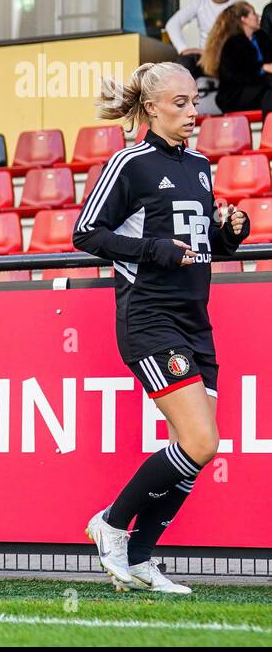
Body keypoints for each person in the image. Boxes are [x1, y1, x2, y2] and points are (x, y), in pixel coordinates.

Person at [75, 62, 249, 594]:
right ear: (151, 108)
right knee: (201, 440)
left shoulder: (199, 164)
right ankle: (110, 524)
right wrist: (152, 251)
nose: (193, 113)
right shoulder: (129, 163)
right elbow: (87, 233)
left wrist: (228, 235)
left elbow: (198, 249)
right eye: (180, 103)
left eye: (195, 102)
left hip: (197, 321)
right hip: (149, 317)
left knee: (191, 449)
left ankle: (144, 556)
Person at [200, 1, 272, 115]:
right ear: (244, 19)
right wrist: (262, 68)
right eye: (253, 14)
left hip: (260, 88)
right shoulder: (232, 44)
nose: (258, 17)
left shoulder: (261, 38)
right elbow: (234, 75)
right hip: (235, 94)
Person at [165, 0, 243, 73]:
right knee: (184, 63)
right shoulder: (200, 1)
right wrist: (183, 49)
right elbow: (172, 24)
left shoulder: (239, 4)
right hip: (205, 56)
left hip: (231, 56)